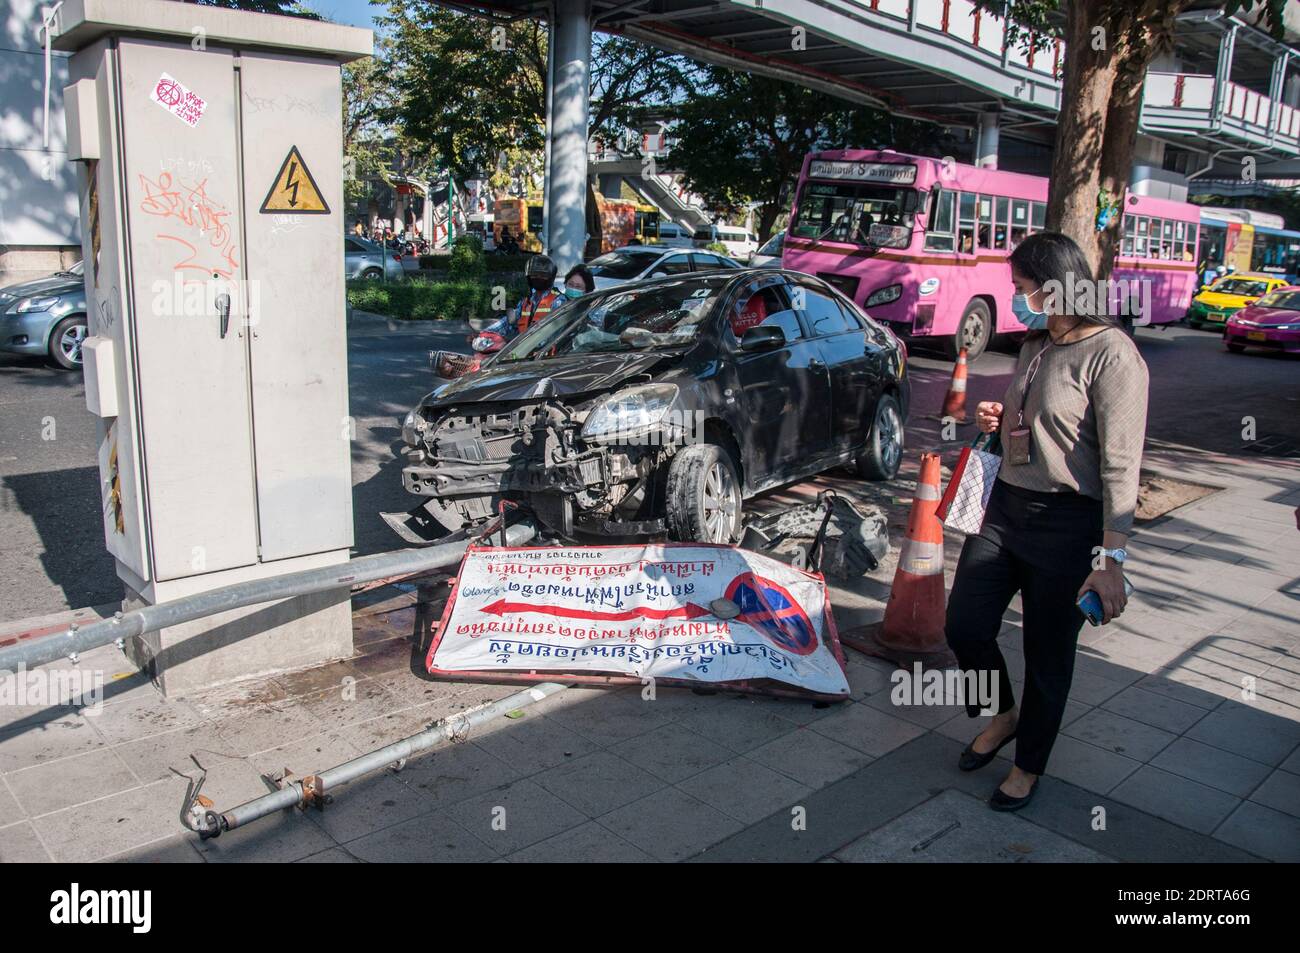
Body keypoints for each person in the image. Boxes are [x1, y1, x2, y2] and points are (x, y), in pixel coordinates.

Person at [944, 231, 1149, 812]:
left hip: (1068, 525)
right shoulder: (1036, 344)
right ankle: (1001, 714)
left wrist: (1111, 561)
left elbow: (1121, 464)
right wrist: (999, 413)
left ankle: (1028, 764)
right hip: (1004, 508)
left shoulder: (1113, 355)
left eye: (1024, 288)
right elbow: (1033, 419)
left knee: (1048, 654)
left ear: (1058, 286)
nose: (1018, 298)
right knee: (965, 625)